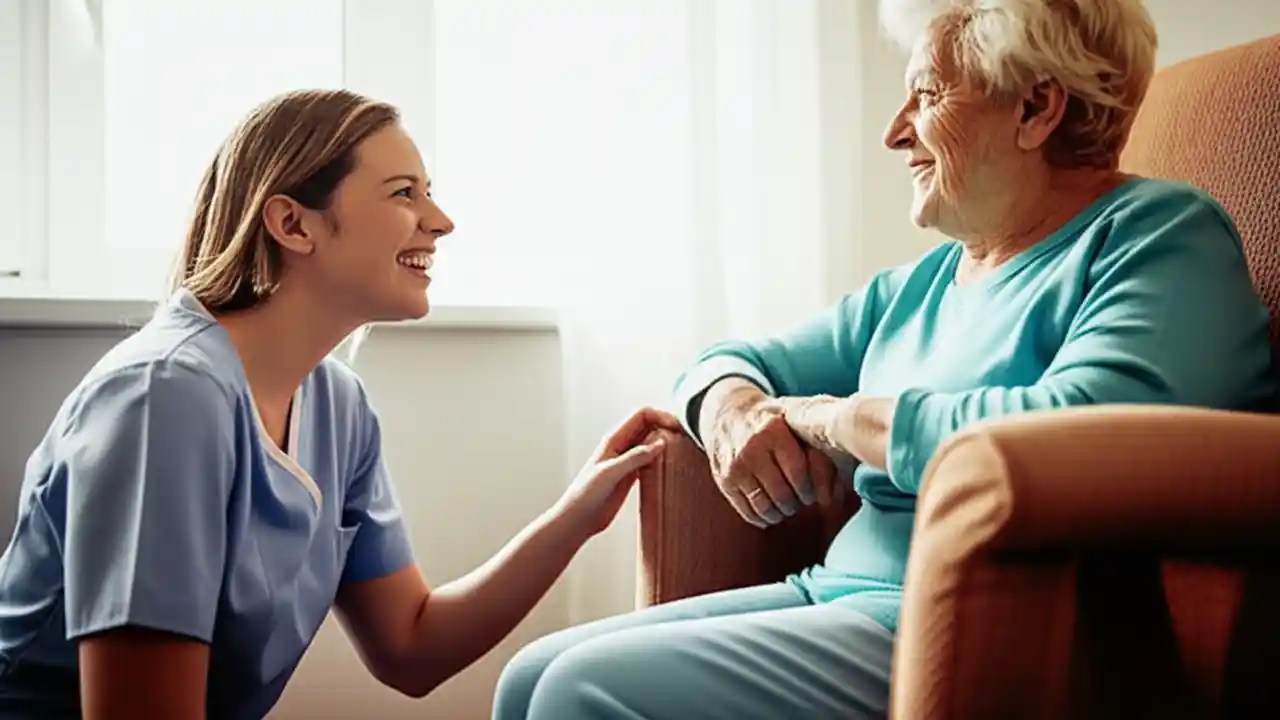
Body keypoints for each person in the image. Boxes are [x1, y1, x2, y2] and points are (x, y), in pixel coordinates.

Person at [494, 0, 1278, 718]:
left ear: (1037, 107)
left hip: (996, 622)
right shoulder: (927, 281)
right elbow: (728, 359)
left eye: (928, 95)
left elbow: (1077, 433)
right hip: (837, 594)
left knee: (579, 690)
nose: (894, 132)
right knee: (530, 673)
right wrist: (731, 407)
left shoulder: (1161, 237)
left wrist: (833, 417)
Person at [0, 89, 679, 719]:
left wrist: (576, 517)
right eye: (403, 193)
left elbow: (412, 648)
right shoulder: (164, 398)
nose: (440, 222)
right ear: (293, 224)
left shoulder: (337, 405)